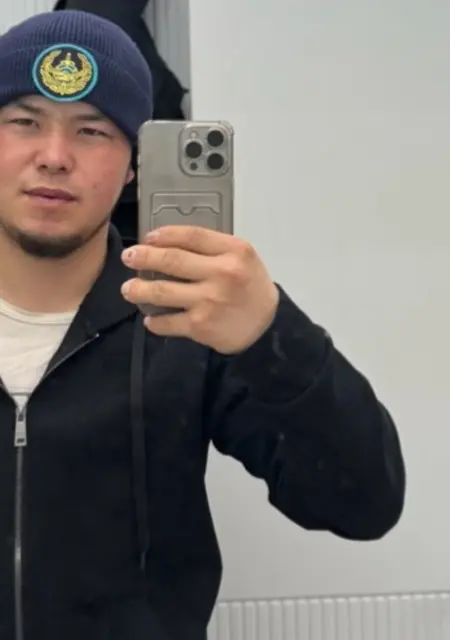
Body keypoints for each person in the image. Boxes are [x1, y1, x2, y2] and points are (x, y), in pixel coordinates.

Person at [0, 10, 405, 640]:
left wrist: (271, 332)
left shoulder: (189, 320)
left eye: (92, 131)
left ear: (133, 165)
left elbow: (364, 504)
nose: (54, 157)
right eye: (25, 122)